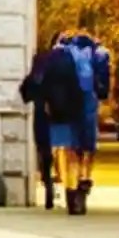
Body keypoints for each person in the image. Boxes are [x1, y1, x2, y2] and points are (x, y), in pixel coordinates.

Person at [39, 32, 85, 214]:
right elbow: (78, 86)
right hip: (71, 112)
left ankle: (60, 183)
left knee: (58, 150)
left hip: (53, 112)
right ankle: (71, 193)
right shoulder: (74, 59)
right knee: (71, 153)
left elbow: (39, 86)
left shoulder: (46, 60)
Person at [67, 32, 111, 214]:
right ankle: (84, 179)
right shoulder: (98, 53)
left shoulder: (65, 52)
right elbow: (103, 83)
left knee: (70, 146)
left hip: (68, 104)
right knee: (88, 146)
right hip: (89, 101)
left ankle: (71, 186)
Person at [20, 32, 62, 209]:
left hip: (43, 110)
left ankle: (49, 185)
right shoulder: (70, 61)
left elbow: (28, 87)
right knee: (61, 150)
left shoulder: (41, 60)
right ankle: (64, 185)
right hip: (61, 113)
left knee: (44, 151)